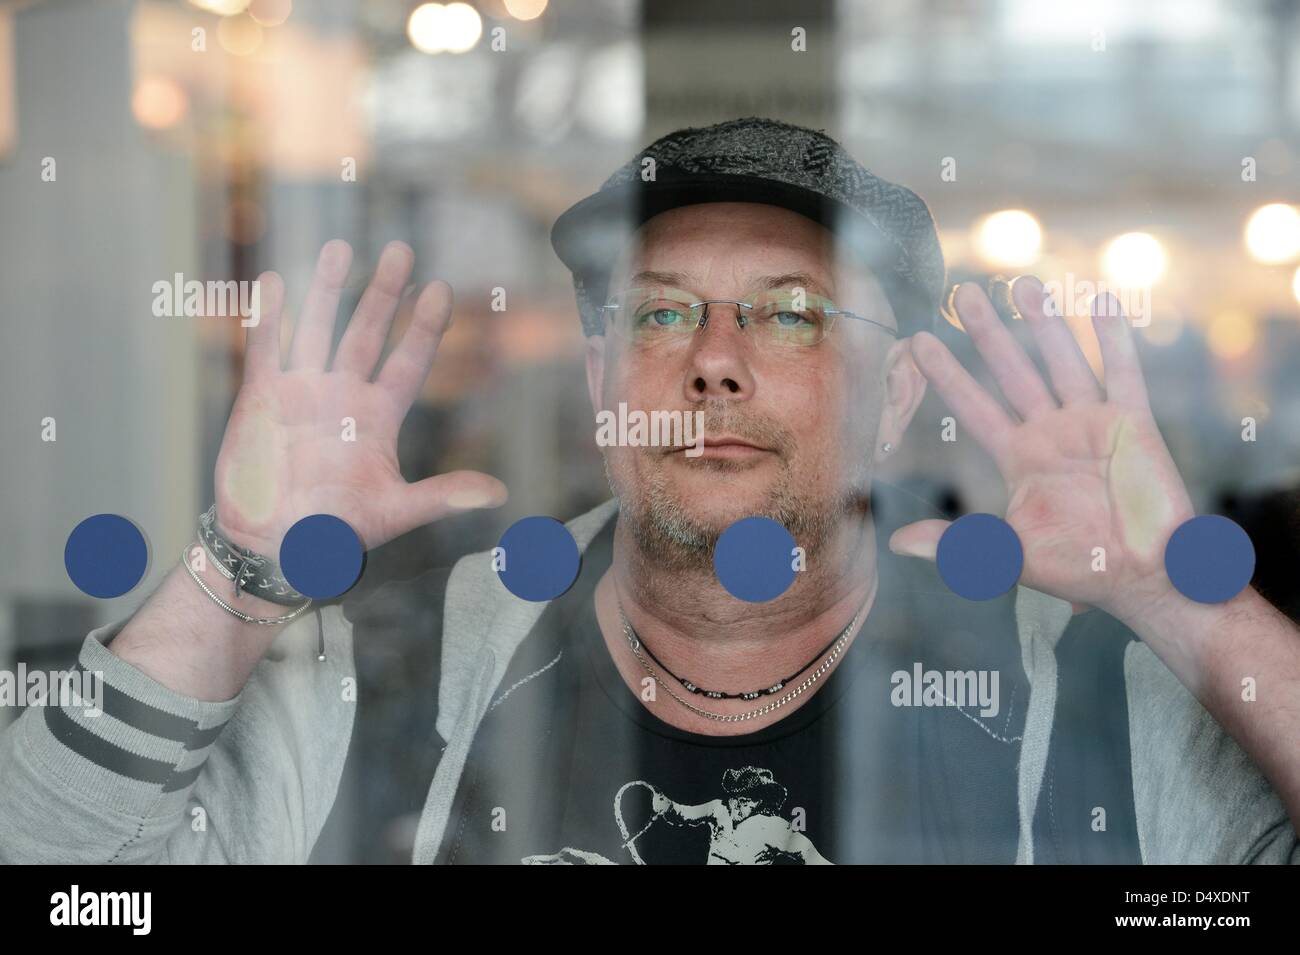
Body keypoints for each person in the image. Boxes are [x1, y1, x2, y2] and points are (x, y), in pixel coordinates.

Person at [1, 118, 1296, 865]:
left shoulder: (1087, 696)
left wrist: (1182, 601)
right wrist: (240, 569)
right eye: (661, 311)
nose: (714, 360)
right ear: (602, 370)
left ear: (898, 397)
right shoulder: (388, 677)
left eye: (792, 318)